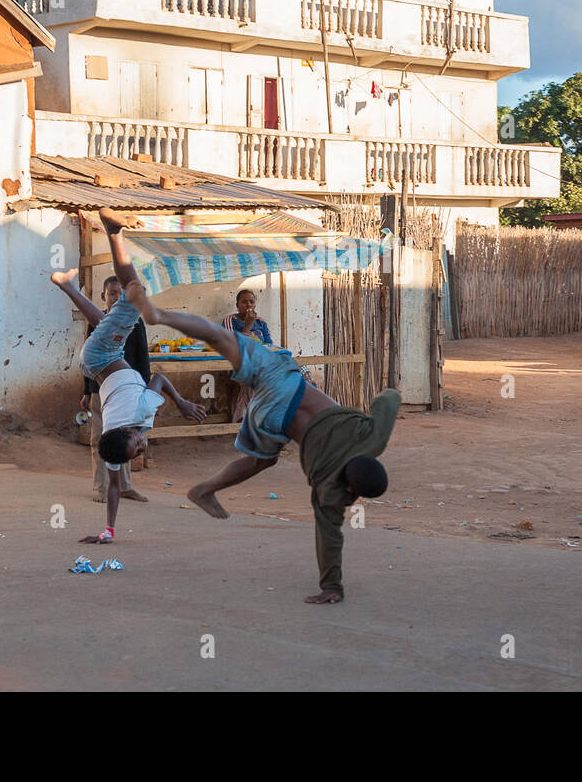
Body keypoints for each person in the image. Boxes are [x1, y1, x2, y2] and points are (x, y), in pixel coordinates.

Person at [97, 208, 397, 604]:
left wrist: (378, 416)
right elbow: (330, 535)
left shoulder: (371, 437)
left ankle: (159, 313)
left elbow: (389, 398)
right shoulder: (331, 491)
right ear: (352, 490)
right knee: (261, 459)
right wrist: (331, 586)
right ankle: (206, 488)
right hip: (271, 417)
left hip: (282, 381)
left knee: (224, 341)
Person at [51, 253, 208, 544]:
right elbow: (113, 488)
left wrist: (182, 402)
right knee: (106, 319)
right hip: (100, 364)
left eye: (136, 446)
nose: (142, 446)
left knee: (135, 297)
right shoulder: (115, 442)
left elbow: (158, 379)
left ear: (125, 432)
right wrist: (107, 531)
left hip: (102, 358)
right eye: (138, 451)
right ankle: (67, 285)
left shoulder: (140, 411)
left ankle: (114, 235)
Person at [83, 275, 150, 503]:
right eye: (112, 293)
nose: (116, 298)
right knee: (99, 438)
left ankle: (125, 486)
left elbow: (143, 358)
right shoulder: (97, 320)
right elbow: (88, 358)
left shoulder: (135, 322)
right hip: (100, 390)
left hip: (127, 392)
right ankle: (102, 487)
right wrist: (86, 392)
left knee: (126, 438)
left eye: (121, 294)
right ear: (104, 296)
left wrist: (146, 390)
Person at [223, 289, 271, 421]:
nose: (248, 305)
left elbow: (270, 346)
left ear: (255, 305)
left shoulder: (261, 322)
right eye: (244, 302)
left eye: (251, 302)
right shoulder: (230, 320)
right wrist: (248, 326)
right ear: (237, 305)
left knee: (300, 371)